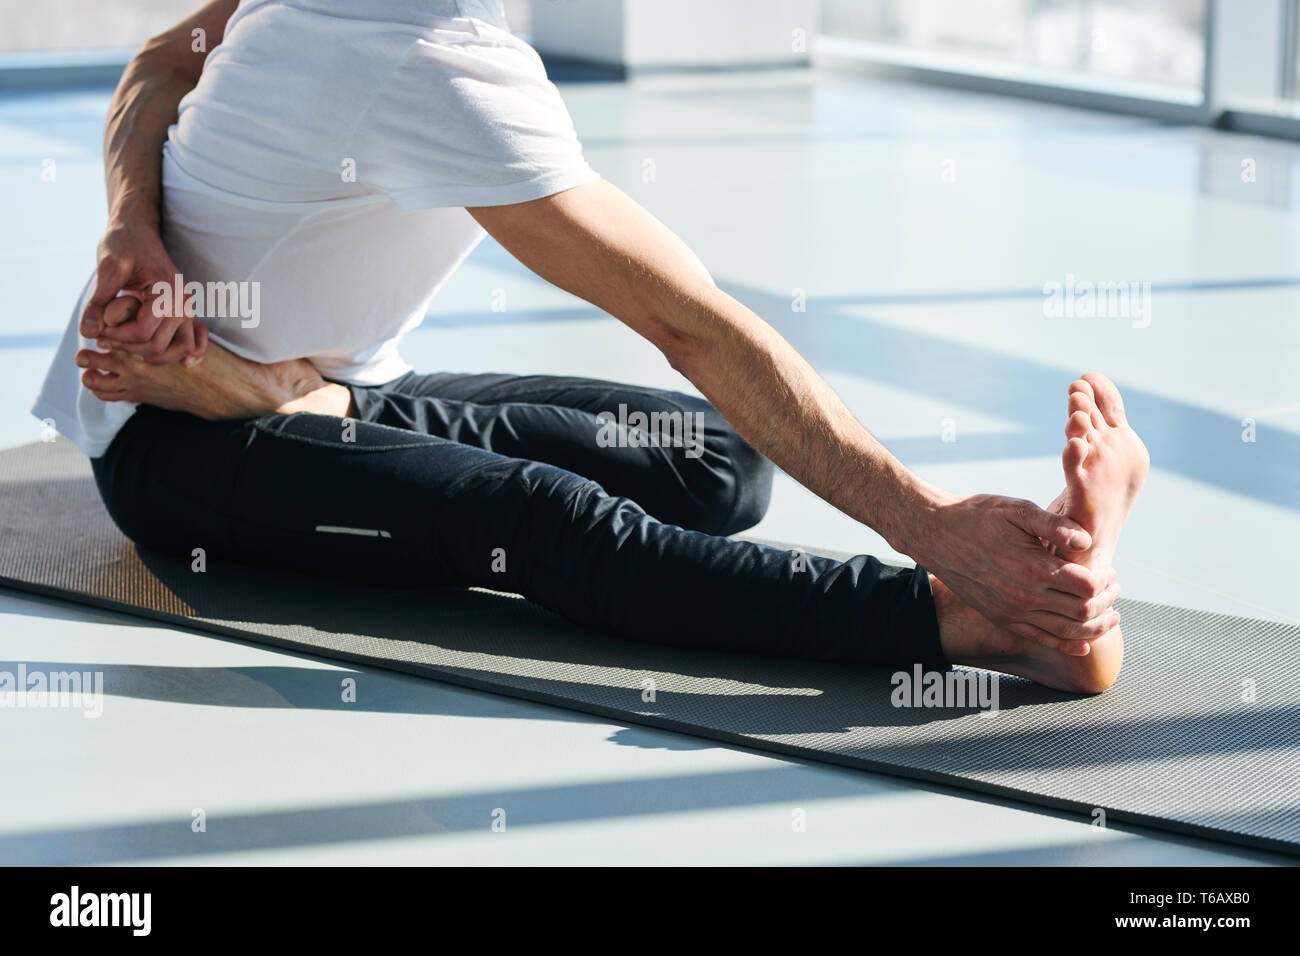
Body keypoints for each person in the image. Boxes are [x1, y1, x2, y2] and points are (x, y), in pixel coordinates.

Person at [33, 0, 1147, 694]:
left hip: (332, 384)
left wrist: (132, 219)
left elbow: (160, 57)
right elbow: (689, 325)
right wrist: (933, 529)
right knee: (538, 521)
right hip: (169, 448)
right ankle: (977, 624)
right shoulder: (431, 59)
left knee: (712, 461)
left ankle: (281, 397)